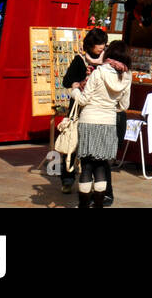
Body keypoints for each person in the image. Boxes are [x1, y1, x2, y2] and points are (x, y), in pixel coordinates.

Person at [68, 40, 131, 208]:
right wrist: (110, 107)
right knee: (101, 166)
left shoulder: (99, 72)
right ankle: (98, 205)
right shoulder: (127, 76)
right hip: (108, 123)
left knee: (87, 166)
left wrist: (74, 90)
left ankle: (83, 205)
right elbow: (124, 106)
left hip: (89, 122)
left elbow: (84, 99)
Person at [60, 28, 109, 195]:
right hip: (78, 109)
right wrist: (78, 83)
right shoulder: (80, 60)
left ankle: (90, 180)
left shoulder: (107, 63)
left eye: (104, 43)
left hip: (96, 109)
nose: (102, 47)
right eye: (99, 43)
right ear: (90, 44)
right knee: (72, 143)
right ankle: (67, 179)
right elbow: (66, 81)